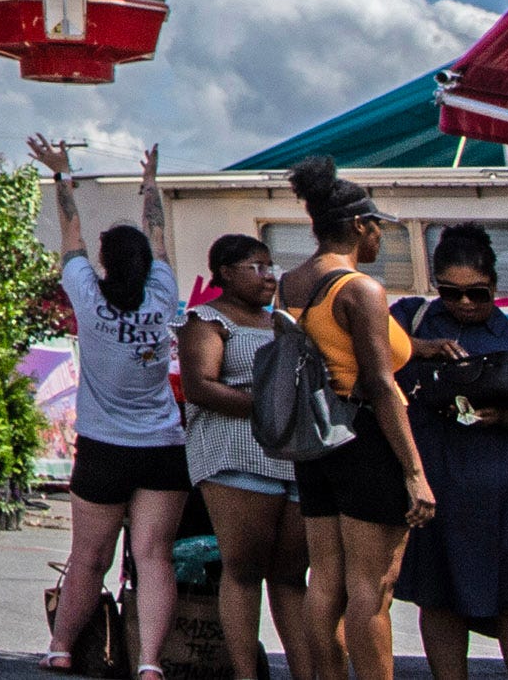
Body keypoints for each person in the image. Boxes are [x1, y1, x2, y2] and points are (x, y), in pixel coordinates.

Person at [33, 137, 187, 678]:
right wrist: (149, 184)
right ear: (146, 263)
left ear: (105, 261)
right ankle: (148, 662)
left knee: (89, 558)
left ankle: (61, 647)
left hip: (104, 447)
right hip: (165, 447)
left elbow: (70, 233)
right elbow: (161, 238)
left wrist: (62, 174)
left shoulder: (88, 296)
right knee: (153, 558)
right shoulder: (163, 292)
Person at [277, 157, 435, 680]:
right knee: (373, 590)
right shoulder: (359, 289)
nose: (380, 239)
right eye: (379, 228)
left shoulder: (291, 284)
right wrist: (414, 472)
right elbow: (379, 383)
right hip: (366, 438)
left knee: (326, 582)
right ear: (360, 226)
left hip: (316, 442)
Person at [395, 225, 508, 680]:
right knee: (439, 599)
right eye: (452, 293)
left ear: (495, 286)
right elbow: (357, 343)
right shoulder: (412, 321)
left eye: (478, 293)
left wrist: (506, 416)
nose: (466, 303)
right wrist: (420, 348)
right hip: (436, 486)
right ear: (435, 285)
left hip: (507, 493)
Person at [181, 234, 319, 680]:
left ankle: (306, 673)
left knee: (291, 575)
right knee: (243, 571)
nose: (268, 276)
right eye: (256, 267)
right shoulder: (206, 321)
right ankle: (245, 673)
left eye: (270, 266)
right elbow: (201, 386)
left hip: (292, 458)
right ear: (224, 271)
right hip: (237, 455)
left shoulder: (282, 322)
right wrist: (268, 408)